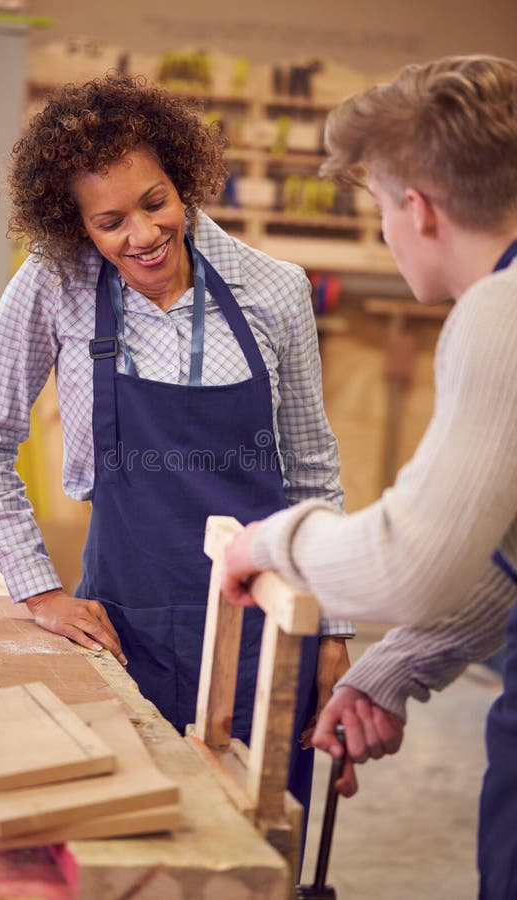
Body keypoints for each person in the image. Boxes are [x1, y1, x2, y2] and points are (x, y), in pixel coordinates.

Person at [0, 73, 353, 834]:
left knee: (252, 850)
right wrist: (40, 592)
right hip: (121, 626)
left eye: (155, 202)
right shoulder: (56, 283)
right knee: (129, 843)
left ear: (184, 180)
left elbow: (310, 474)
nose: (141, 235)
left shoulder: (274, 291)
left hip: (265, 640)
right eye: (109, 222)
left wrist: (330, 628)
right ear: (76, 225)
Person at [221, 55, 517, 899]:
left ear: (417, 210)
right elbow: (505, 551)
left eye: (380, 206)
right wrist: (398, 667)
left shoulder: (500, 313)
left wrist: (270, 541)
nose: (387, 228)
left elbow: (406, 564)